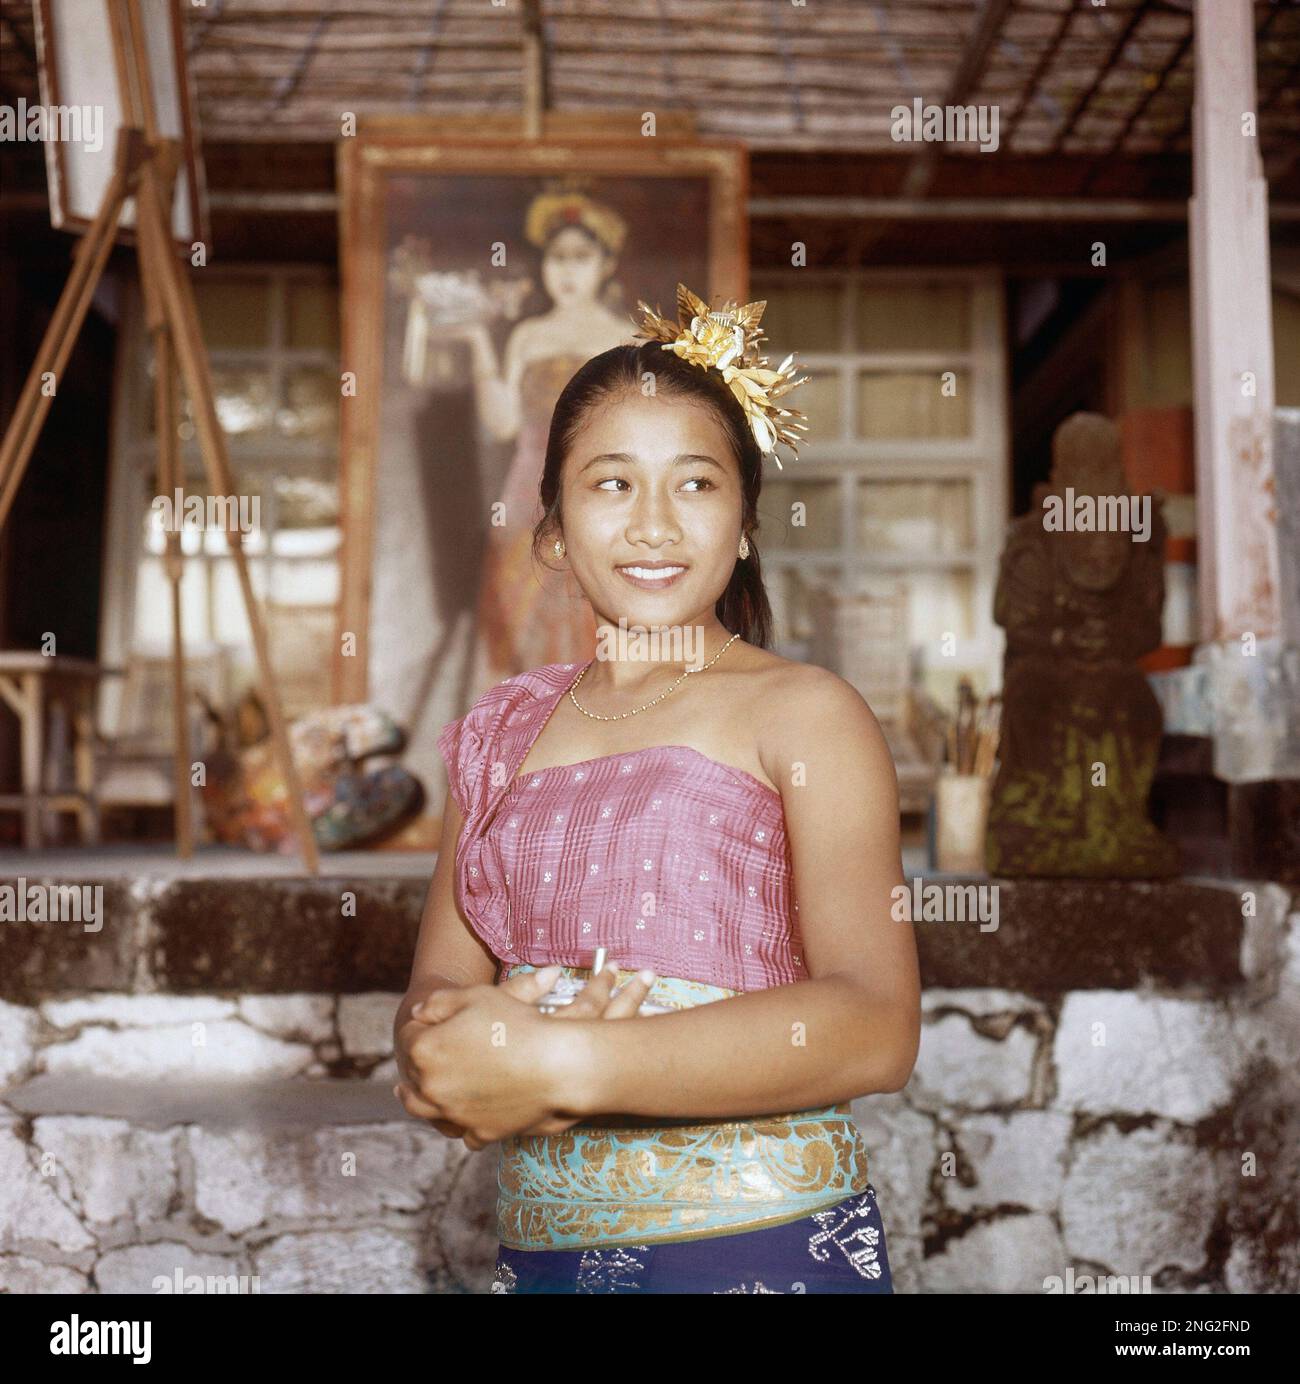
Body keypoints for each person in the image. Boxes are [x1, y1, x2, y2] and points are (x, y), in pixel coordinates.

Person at [393, 284, 921, 1294]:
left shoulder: (806, 715)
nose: (652, 524)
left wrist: (571, 1066)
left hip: (764, 1247)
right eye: (609, 485)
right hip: (542, 1255)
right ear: (550, 531)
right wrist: (440, 1053)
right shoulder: (498, 738)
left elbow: (875, 1022)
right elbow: (435, 989)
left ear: (746, 523)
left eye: (694, 484)